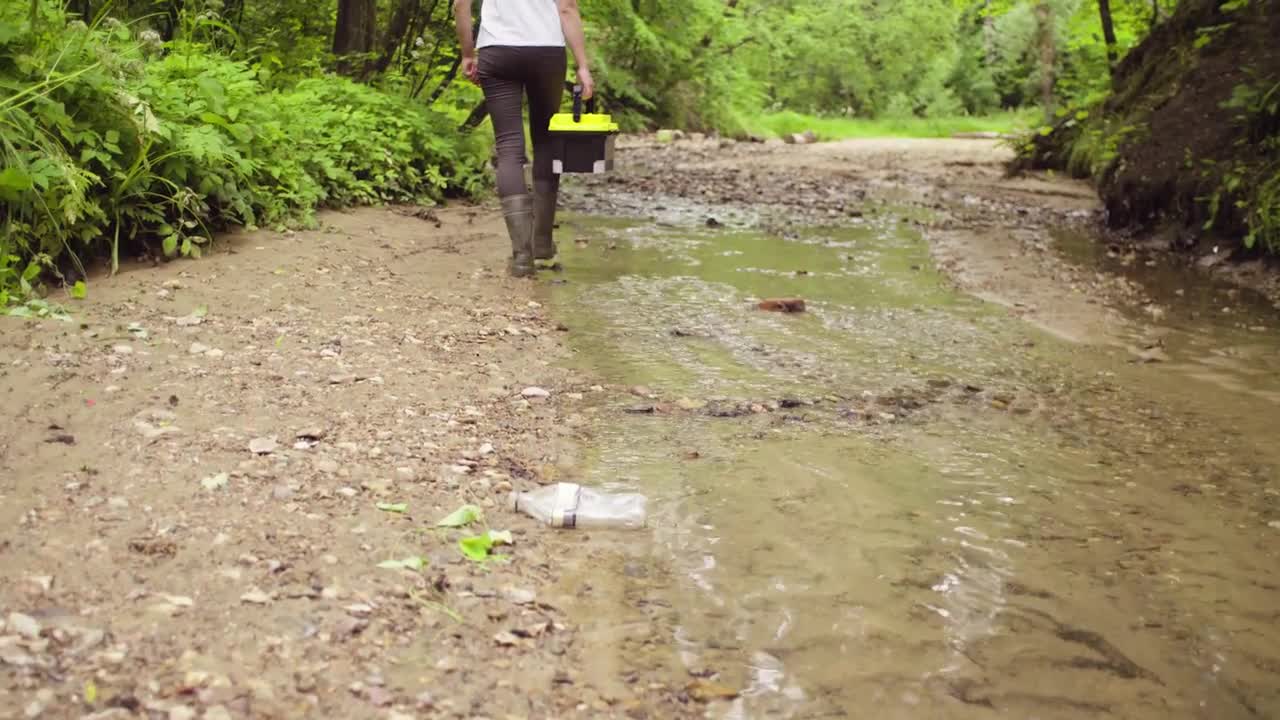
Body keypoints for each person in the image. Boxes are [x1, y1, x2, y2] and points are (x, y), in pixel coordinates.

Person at [453, 0, 594, 278]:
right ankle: (541, 246)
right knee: (545, 144)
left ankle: (521, 257)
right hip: (547, 52)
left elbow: (460, 5)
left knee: (508, 147)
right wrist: (583, 66)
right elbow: (567, 8)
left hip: (498, 51)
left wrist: (467, 54)